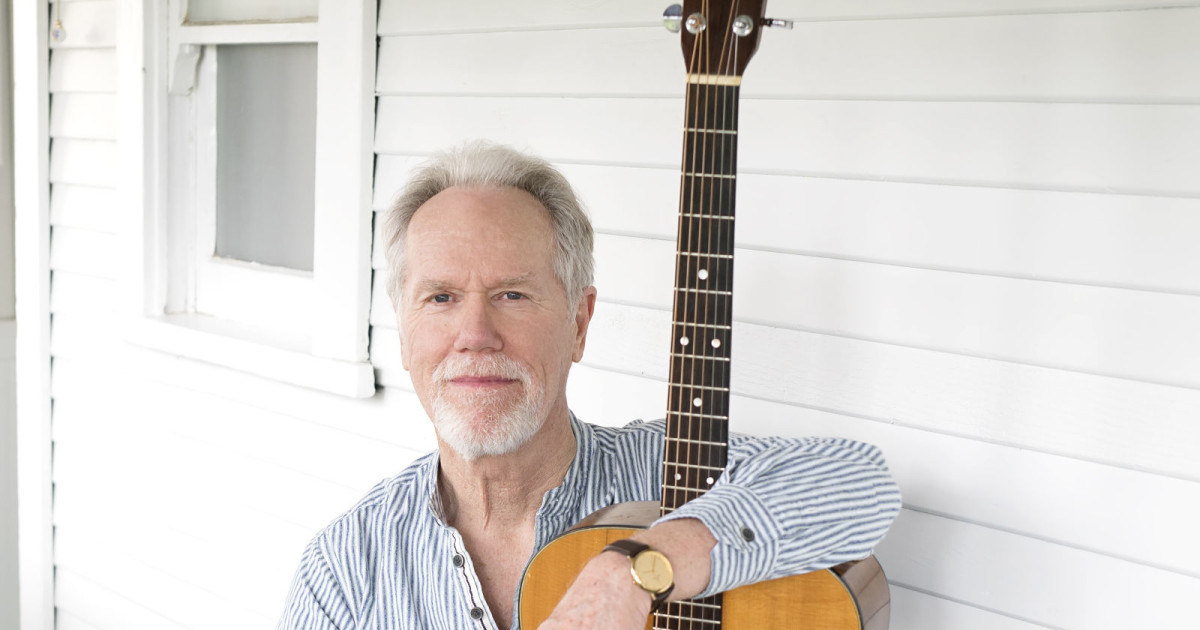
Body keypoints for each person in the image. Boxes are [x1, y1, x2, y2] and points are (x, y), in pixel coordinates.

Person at [278, 141, 901, 629]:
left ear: (579, 323)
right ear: (405, 333)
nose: (475, 333)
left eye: (511, 295)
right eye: (440, 297)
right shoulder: (347, 566)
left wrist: (634, 571)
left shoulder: (674, 470)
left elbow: (861, 486)